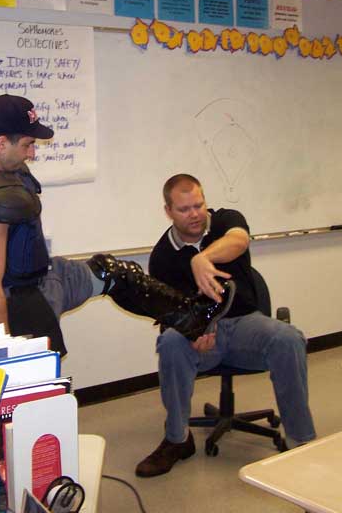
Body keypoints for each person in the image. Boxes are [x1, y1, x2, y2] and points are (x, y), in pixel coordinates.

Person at [0, 95, 233, 356]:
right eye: (28, 145)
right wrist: (1, 358)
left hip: (47, 274)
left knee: (115, 273)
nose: (32, 153)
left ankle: (192, 317)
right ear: (0, 144)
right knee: (41, 395)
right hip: (23, 302)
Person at [133, 173, 316, 477]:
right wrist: (193, 333)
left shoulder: (224, 220)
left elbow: (239, 240)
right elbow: (170, 315)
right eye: (184, 209)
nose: (194, 214)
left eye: (198, 205)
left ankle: (302, 442)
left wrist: (201, 258)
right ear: (168, 211)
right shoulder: (162, 257)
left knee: (288, 338)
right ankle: (177, 439)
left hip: (245, 325)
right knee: (170, 343)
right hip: (202, 336)